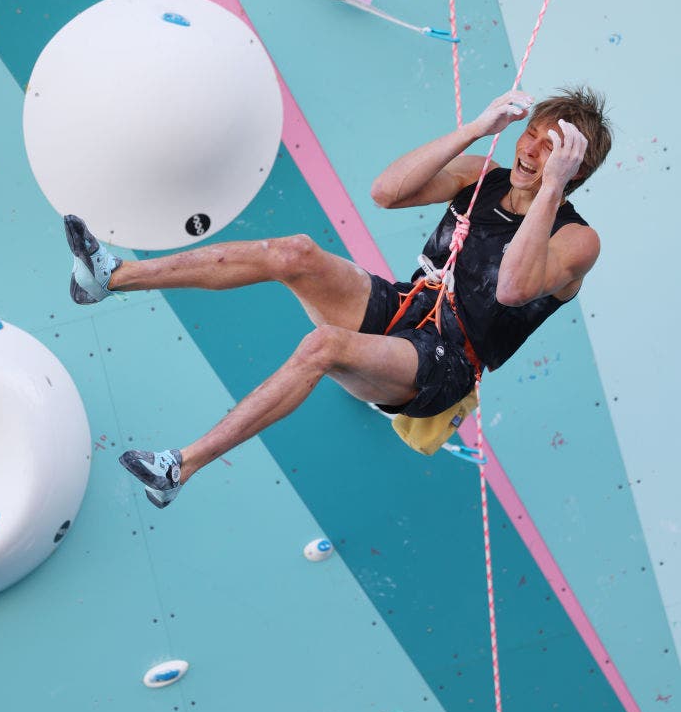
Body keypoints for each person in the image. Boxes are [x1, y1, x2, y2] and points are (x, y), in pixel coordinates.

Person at [64, 87, 612, 508]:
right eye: (532, 135)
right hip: (406, 307)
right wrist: (476, 127)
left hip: (445, 362)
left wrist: (552, 188)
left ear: (574, 167)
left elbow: (513, 287)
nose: (533, 152)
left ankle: (178, 469)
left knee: (323, 346)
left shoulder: (575, 239)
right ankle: (109, 277)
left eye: (552, 148)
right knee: (295, 252)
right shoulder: (483, 177)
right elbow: (386, 192)